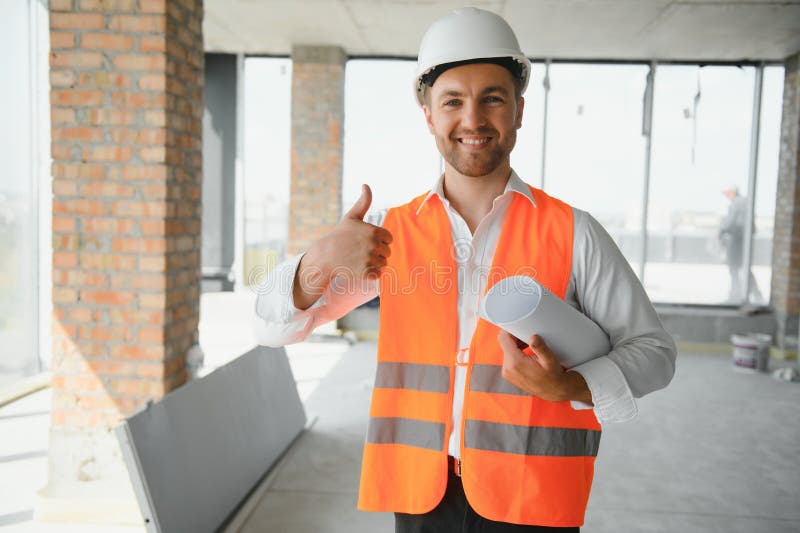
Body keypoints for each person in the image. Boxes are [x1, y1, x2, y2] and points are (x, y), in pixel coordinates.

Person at [254, 7, 676, 532]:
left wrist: (572, 386)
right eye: (452, 101)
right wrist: (317, 261)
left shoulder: (575, 232)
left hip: (533, 495)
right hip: (421, 495)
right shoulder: (386, 236)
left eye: (492, 98)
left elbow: (654, 353)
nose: (473, 120)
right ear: (429, 116)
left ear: (519, 110)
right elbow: (270, 327)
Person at [719, 185, 762, 303]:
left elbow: (731, 221)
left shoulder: (736, 203)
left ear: (733, 192)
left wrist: (722, 230)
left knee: (733, 267)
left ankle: (735, 295)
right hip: (744, 239)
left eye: (727, 193)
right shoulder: (745, 201)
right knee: (745, 267)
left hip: (737, 238)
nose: (726, 196)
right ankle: (756, 294)